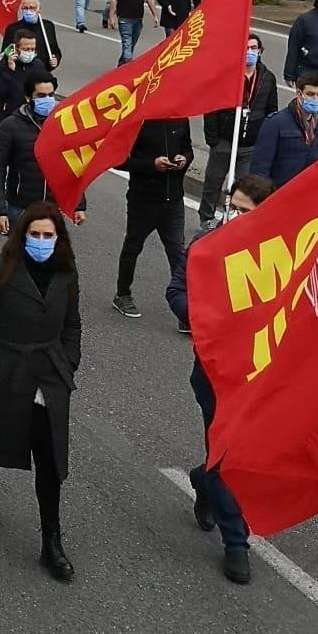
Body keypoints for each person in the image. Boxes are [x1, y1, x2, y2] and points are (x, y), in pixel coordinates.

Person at [0, 200, 82, 584]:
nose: (42, 241)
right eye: (35, 234)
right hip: (7, 366)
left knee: (49, 458)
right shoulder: (0, 268)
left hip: (49, 373)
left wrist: (69, 361)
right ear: (22, 234)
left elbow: (73, 325)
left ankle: (51, 541)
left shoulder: (66, 274)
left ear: (58, 238)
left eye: (49, 235)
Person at [166, 173, 276, 585]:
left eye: (247, 211)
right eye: (234, 207)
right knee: (227, 458)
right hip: (214, 375)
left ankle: (201, 479)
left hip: (261, 375)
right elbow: (175, 290)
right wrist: (202, 320)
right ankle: (236, 542)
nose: (237, 216)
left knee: (245, 455)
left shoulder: (277, 252)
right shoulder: (205, 245)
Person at [112, 117, 192, 320]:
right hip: (143, 199)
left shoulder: (181, 119)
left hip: (173, 200)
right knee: (133, 246)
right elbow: (119, 160)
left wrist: (184, 159)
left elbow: (188, 148)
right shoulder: (138, 120)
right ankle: (122, 295)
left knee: (177, 253)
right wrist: (151, 165)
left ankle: (185, 308)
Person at [0, 70, 86, 233]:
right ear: (28, 97)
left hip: (54, 207)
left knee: (52, 254)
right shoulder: (10, 127)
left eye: (51, 95)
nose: (47, 100)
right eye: (41, 96)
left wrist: (78, 204)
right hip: (20, 207)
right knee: (17, 255)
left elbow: (73, 166)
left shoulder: (64, 125)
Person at [199, 34, 277, 228]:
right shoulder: (227, 76)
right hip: (224, 141)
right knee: (213, 181)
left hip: (250, 144)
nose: (250, 52)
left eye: (253, 48)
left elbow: (271, 110)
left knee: (244, 185)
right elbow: (211, 107)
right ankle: (206, 217)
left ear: (260, 51)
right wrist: (213, 139)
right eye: (246, 48)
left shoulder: (267, 78)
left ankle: (234, 218)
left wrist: (262, 137)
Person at [251, 72, 318, 187]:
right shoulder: (276, 122)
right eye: (310, 94)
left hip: (307, 190)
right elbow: (261, 164)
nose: (315, 99)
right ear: (299, 93)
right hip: (279, 190)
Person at [0, 30, 46, 123]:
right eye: (26, 49)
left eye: (32, 49)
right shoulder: (2, 66)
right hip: (9, 118)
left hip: (33, 119)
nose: (30, 52)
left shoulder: (38, 66)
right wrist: (10, 72)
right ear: (16, 48)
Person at [3, 0, 61, 71]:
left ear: (39, 10)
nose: (28, 11)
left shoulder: (47, 26)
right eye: (25, 8)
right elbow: (6, 52)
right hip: (20, 71)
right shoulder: (13, 29)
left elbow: (55, 50)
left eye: (32, 8)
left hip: (42, 72)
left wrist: (55, 60)